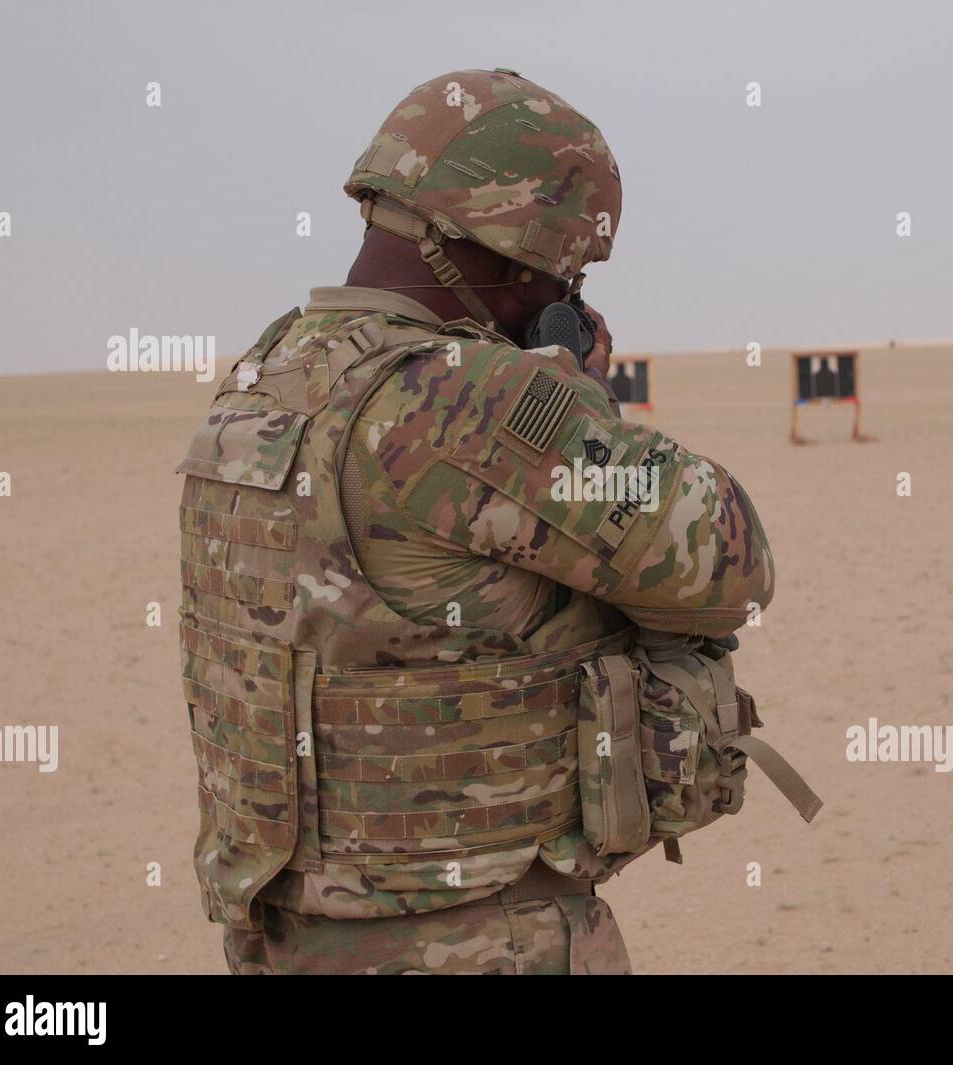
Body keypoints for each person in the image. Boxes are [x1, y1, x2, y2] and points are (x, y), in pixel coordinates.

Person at [176, 68, 796, 975]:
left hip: (282, 935)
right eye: (568, 274)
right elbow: (733, 557)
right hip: (475, 938)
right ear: (519, 268)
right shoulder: (468, 402)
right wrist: (580, 401)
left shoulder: (263, 375)